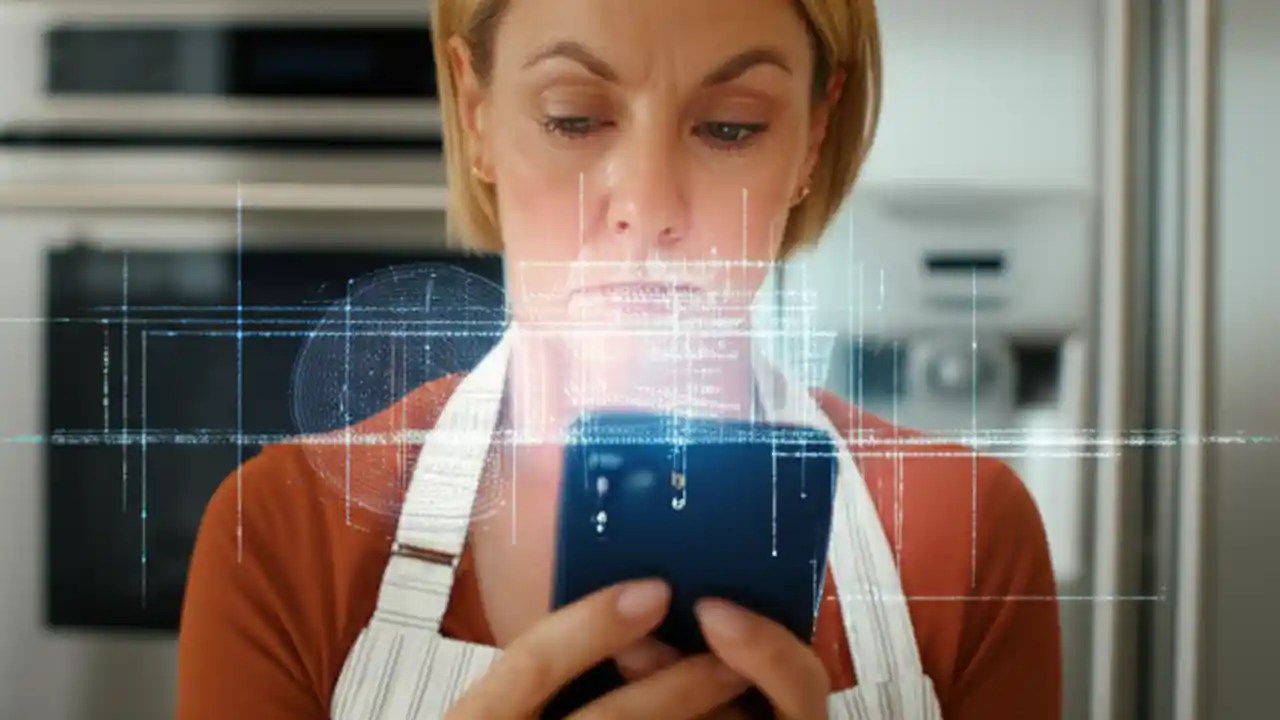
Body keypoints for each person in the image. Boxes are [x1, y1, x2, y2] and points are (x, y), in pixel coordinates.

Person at [176, 0, 1062, 718]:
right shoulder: (282, 536)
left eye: (728, 126)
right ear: (477, 116)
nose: (647, 204)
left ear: (812, 139)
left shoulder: (969, 538)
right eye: (575, 119)